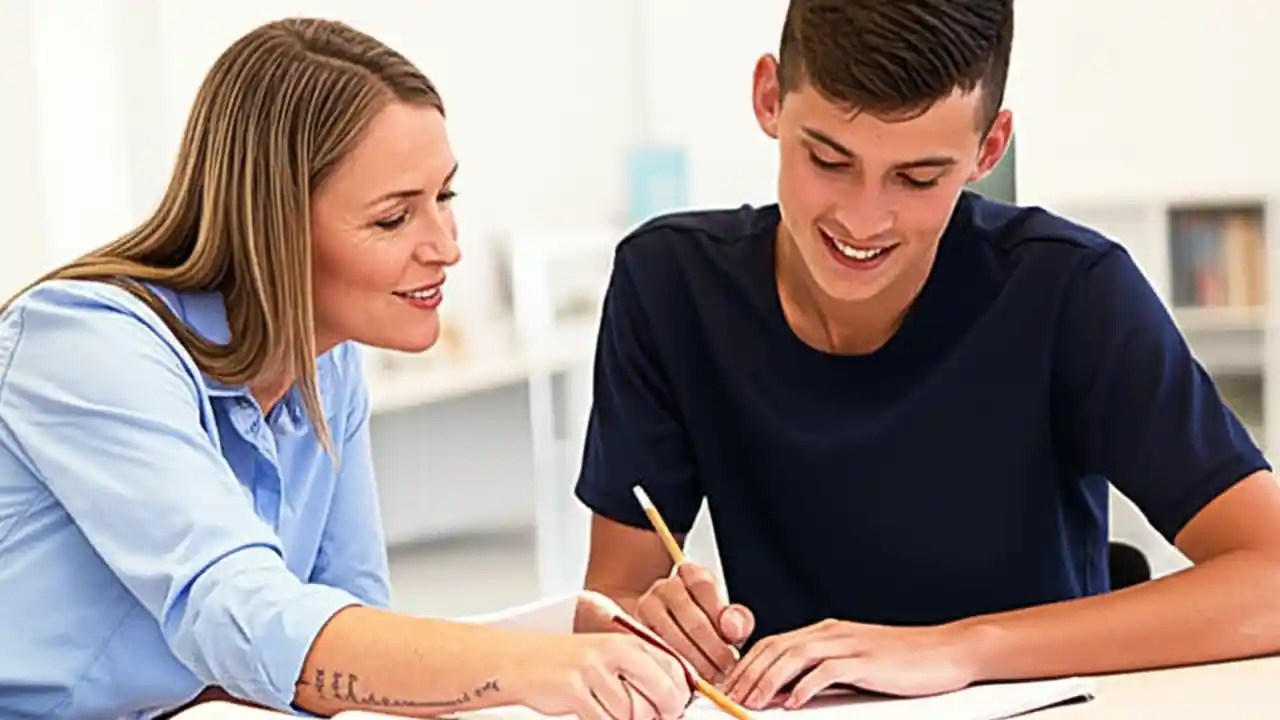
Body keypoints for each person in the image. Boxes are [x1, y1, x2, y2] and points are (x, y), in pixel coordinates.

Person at [575, 0, 1280, 711]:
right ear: (769, 99)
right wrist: (649, 624)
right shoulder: (668, 286)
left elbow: (1273, 575)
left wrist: (957, 650)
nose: (862, 219)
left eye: (917, 178)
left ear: (989, 147)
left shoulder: (1069, 292)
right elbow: (610, 604)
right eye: (828, 159)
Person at [0, 18, 692, 720]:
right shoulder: (86, 345)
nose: (446, 247)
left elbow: (347, 630)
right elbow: (240, 615)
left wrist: (568, 638)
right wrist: (523, 666)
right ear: (274, 226)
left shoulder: (327, 365)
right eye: (394, 219)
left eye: (444, 198)